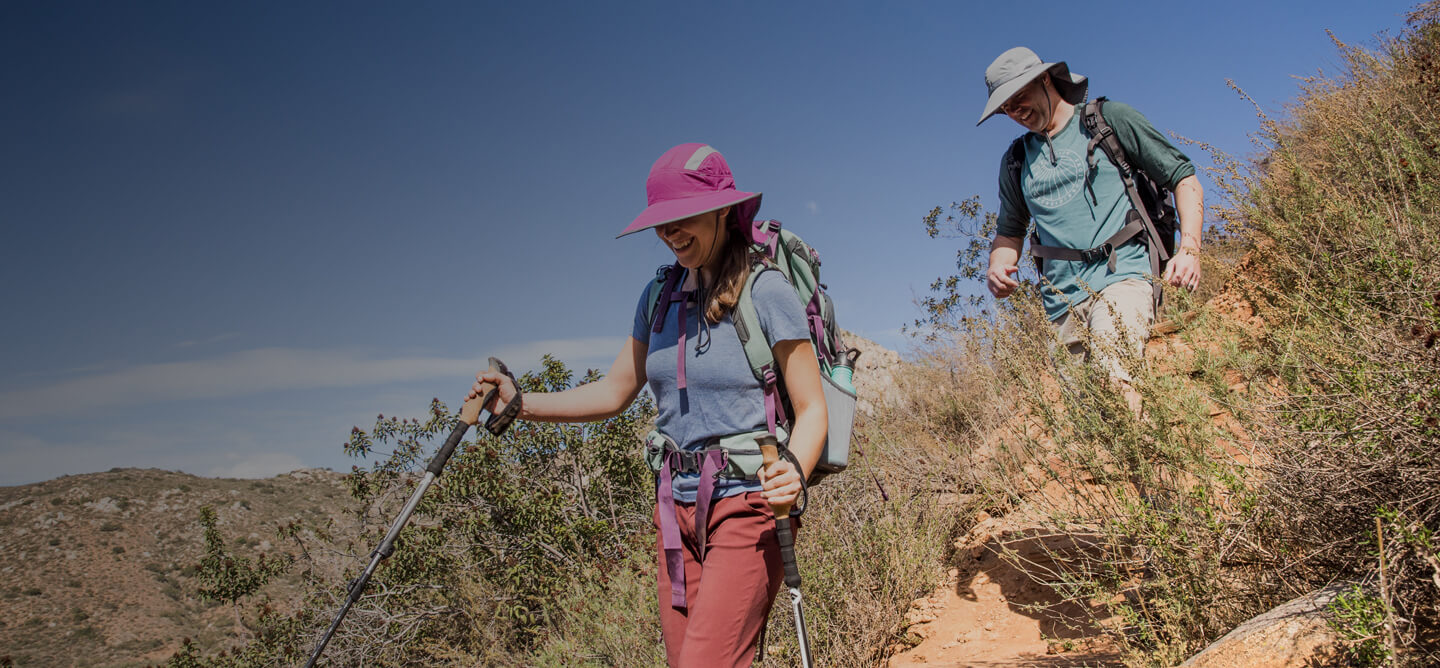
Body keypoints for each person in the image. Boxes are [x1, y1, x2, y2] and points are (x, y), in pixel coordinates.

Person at [467, 143, 827, 667]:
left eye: (685, 218)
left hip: (749, 502)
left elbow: (811, 406)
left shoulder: (766, 290)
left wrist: (795, 468)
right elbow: (614, 391)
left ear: (724, 210)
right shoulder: (658, 296)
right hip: (675, 511)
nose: (671, 233)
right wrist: (521, 403)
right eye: (663, 223)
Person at [978, 47, 1204, 413]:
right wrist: (997, 267)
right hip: (1061, 305)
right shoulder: (1016, 160)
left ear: (1045, 79)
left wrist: (1190, 249)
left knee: (1115, 379)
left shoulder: (1107, 119)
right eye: (1005, 107)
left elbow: (1184, 177)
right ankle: (1138, 465)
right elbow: (1010, 231)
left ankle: (1142, 463)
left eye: (1018, 98)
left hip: (1124, 276)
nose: (1014, 112)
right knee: (1090, 420)